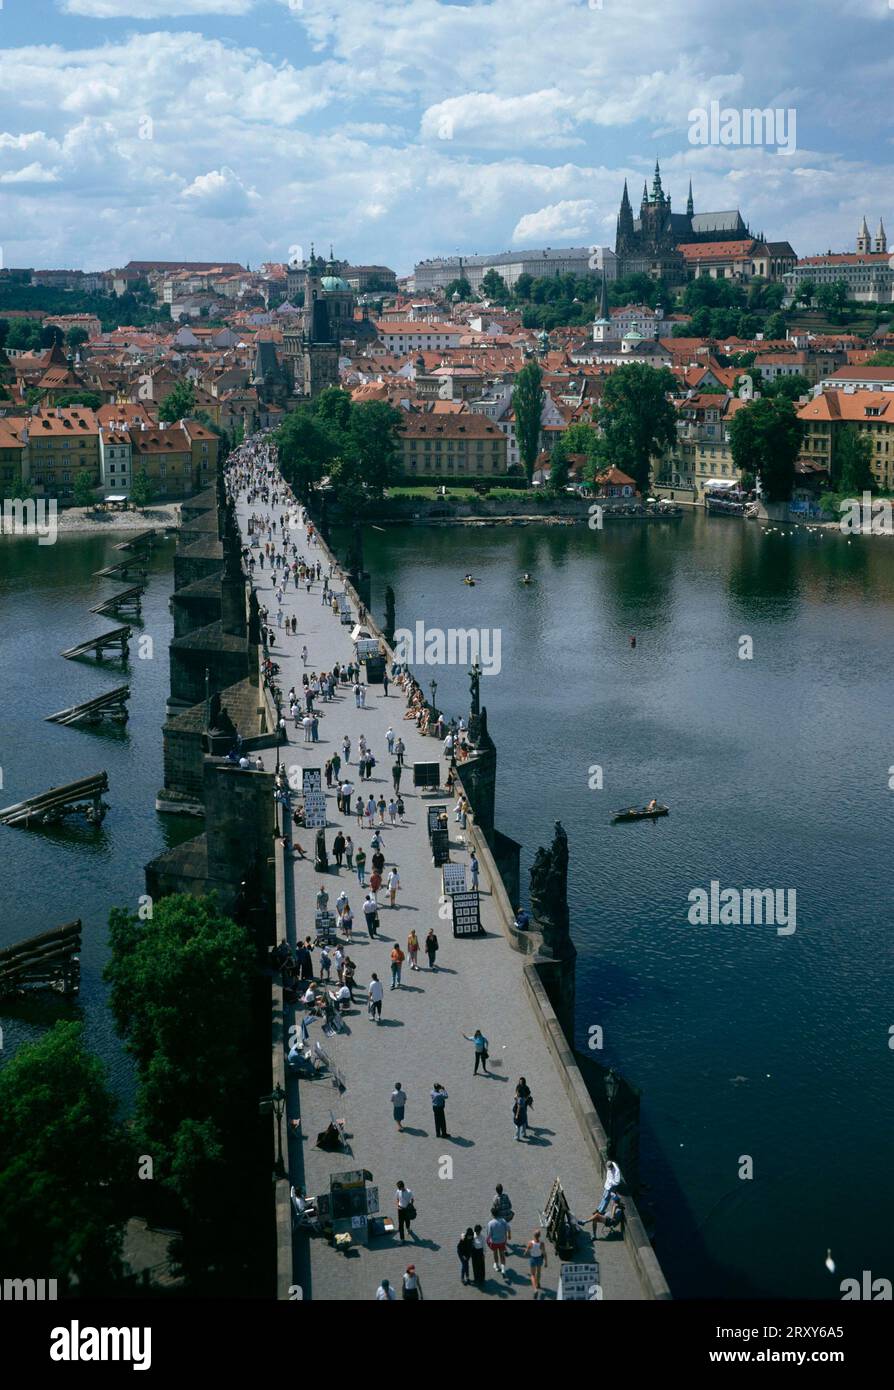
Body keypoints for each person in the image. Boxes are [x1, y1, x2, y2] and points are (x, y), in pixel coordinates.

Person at [524, 1230, 548, 1298]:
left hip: (533, 1259)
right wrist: (546, 1262)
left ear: (534, 1235)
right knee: (539, 1272)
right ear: (539, 1236)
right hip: (539, 1258)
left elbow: (526, 1252)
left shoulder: (530, 1243)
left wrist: (526, 1252)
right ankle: (538, 1283)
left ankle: (535, 1289)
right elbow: (544, 1253)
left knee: (532, 1274)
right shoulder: (542, 1243)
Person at [486, 1211, 509, 1277]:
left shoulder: (490, 1223)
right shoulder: (503, 1221)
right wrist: (508, 1235)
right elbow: (508, 1229)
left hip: (494, 1242)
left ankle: (496, 1265)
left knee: (495, 1253)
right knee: (502, 1255)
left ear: (492, 1214)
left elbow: (489, 1235)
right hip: (502, 1241)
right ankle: (503, 1269)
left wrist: (488, 1241)